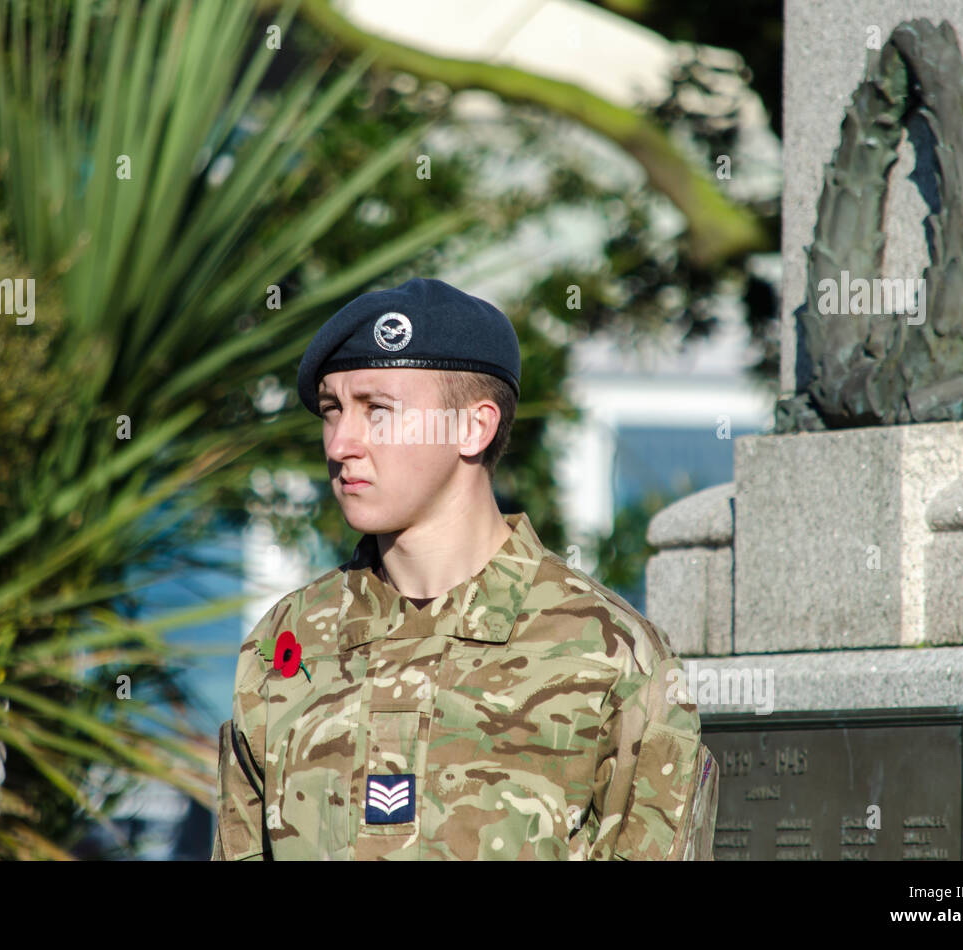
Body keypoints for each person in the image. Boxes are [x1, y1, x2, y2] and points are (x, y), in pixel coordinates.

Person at [212, 276, 718, 860]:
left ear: (473, 427)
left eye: (377, 409)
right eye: (333, 410)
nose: (340, 443)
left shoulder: (609, 654)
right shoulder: (285, 644)